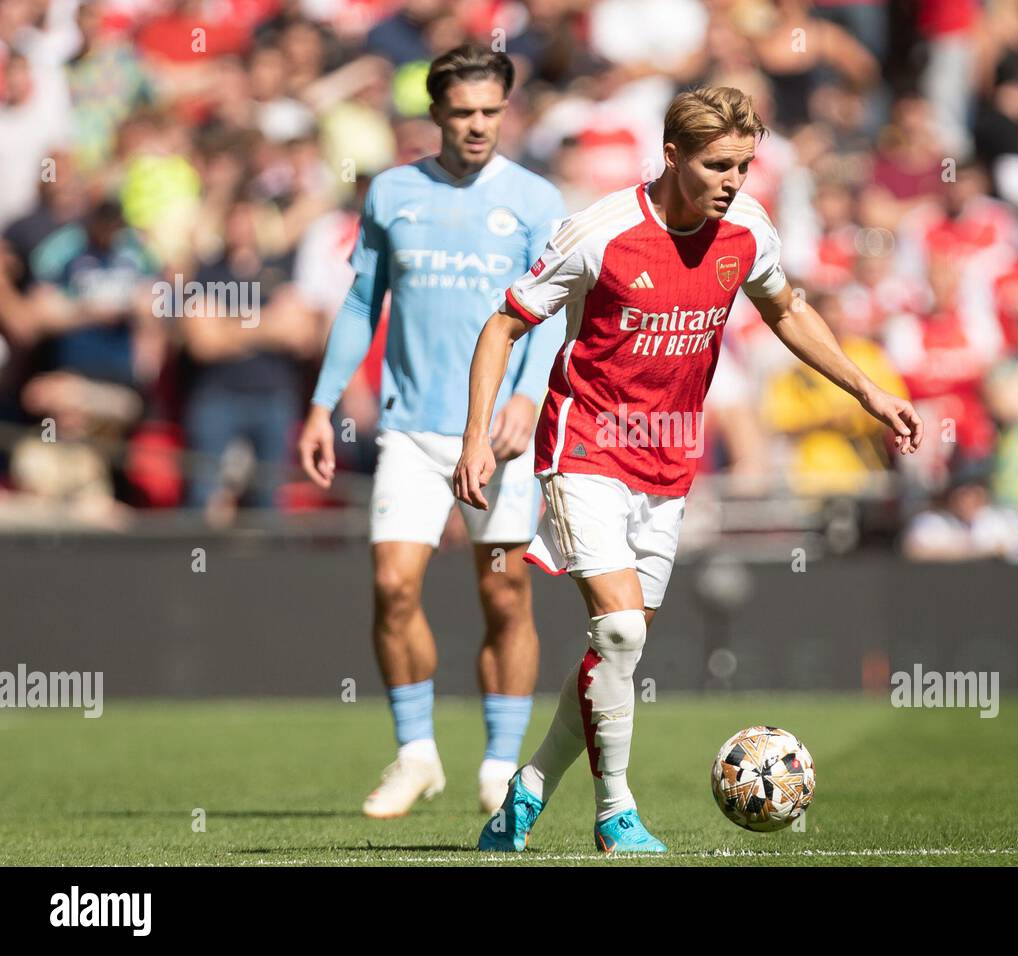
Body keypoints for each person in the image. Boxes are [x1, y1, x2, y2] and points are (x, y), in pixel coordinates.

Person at [453, 86, 922, 853]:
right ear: (672, 155)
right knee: (619, 631)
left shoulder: (747, 229)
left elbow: (786, 308)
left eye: (744, 164)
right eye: (717, 165)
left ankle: (529, 786)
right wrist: (478, 435)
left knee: (619, 645)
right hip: (586, 448)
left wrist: (867, 388)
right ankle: (616, 813)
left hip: (670, 465)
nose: (733, 180)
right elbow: (505, 323)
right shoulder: (600, 233)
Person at [298, 44, 567, 818]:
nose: (478, 126)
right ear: (435, 113)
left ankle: (498, 763)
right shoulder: (392, 193)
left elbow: (547, 317)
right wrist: (321, 403)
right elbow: (360, 304)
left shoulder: (535, 200)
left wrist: (528, 399)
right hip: (411, 427)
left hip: (500, 432)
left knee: (505, 595)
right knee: (391, 586)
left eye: (490, 111)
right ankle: (416, 753)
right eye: (462, 112)